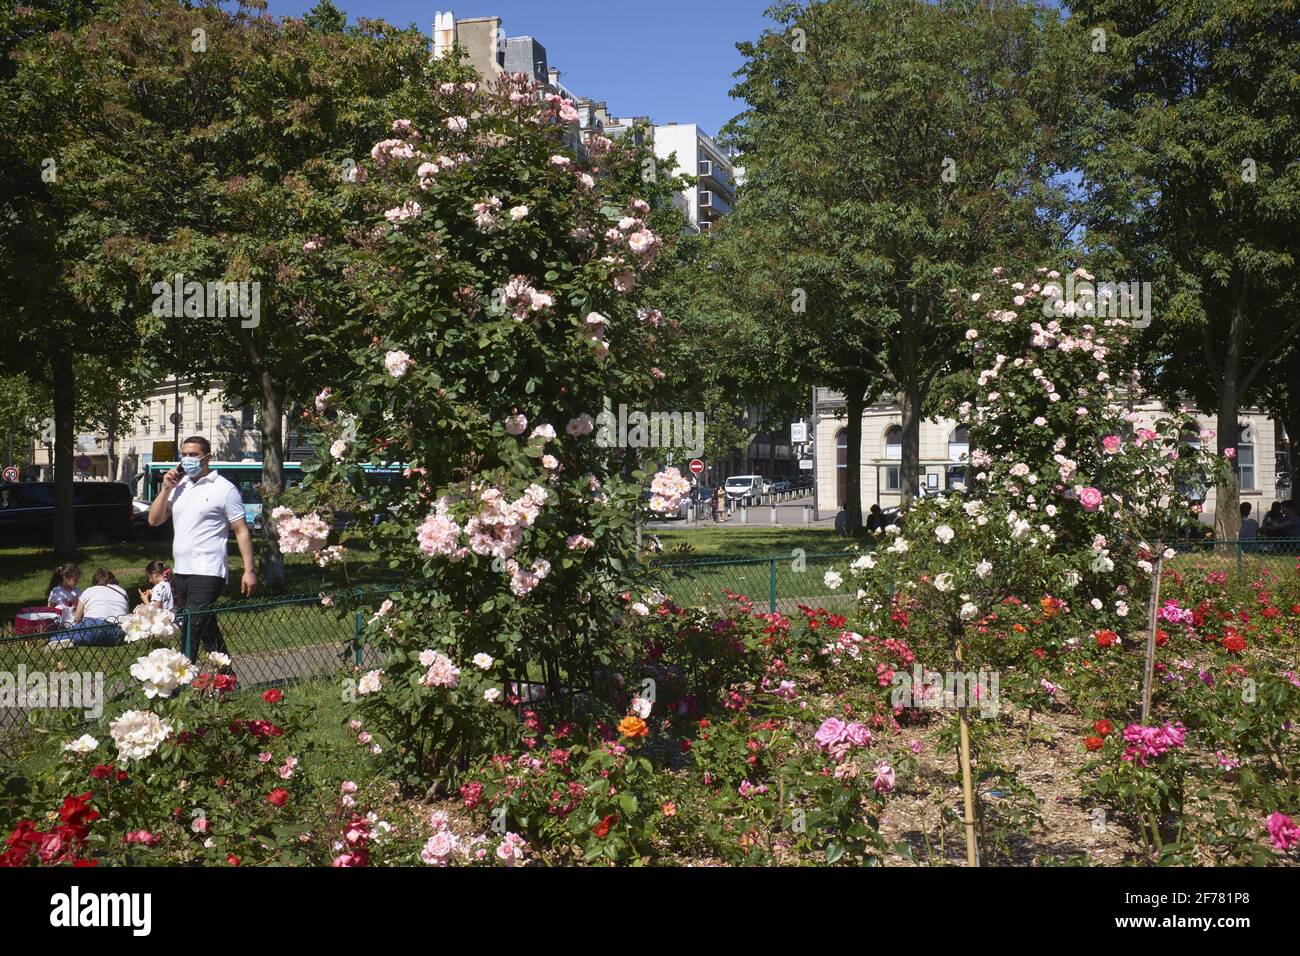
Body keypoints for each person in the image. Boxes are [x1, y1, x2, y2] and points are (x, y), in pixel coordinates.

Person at [147, 436, 256, 657]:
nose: (187, 459)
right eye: (184, 455)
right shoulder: (179, 486)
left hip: (208, 570)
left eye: (193, 455)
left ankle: (183, 681)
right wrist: (165, 489)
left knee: (191, 626)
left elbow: (241, 530)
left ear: (207, 457)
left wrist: (249, 570)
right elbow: (154, 520)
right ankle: (225, 677)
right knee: (206, 626)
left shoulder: (224, 489)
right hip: (181, 570)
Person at [49, 569, 129, 647]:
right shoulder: (123, 592)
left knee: (57, 636)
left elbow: (77, 619)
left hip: (94, 625)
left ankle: (61, 640)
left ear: (95, 581)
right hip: (118, 631)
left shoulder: (89, 591)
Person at [46, 563, 82, 628]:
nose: (77, 582)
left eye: (78, 580)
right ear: (65, 578)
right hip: (60, 625)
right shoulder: (56, 592)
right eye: (75, 580)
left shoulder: (77, 591)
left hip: (75, 623)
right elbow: (49, 608)